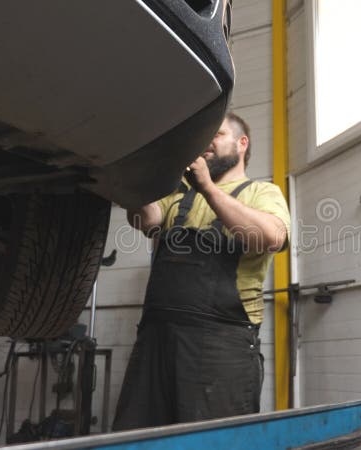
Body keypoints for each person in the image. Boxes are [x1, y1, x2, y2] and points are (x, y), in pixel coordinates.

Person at [112, 112, 291, 430]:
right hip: (155, 342)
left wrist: (208, 188)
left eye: (217, 135)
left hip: (221, 348)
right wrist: (135, 184)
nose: (207, 142)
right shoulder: (178, 193)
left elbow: (272, 237)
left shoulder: (261, 192)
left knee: (213, 442)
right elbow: (147, 221)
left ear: (241, 143)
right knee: (137, 438)